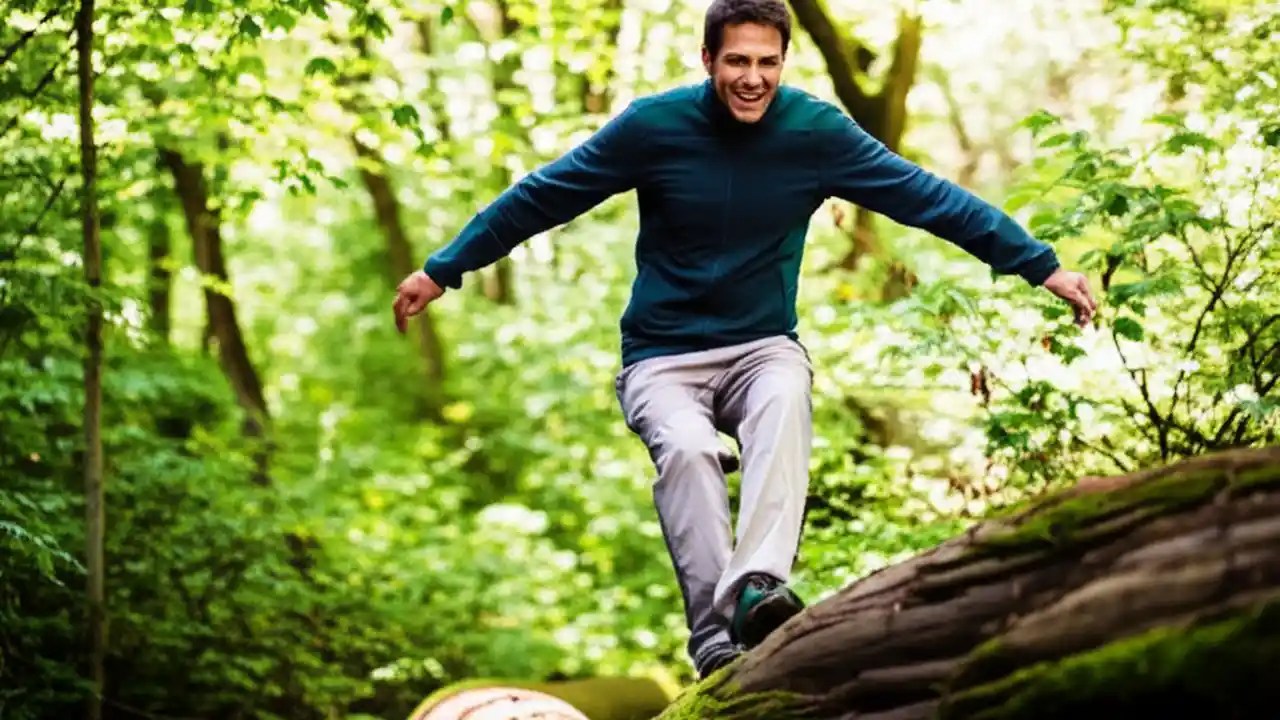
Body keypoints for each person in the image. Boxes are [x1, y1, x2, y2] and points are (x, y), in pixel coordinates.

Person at [392, 0, 1097, 680]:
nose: (752, 77)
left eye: (767, 62)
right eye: (736, 61)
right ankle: (715, 643)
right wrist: (443, 269)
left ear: (785, 62)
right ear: (707, 59)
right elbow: (543, 194)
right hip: (661, 358)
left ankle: (759, 584)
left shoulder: (816, 134)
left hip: (762, 346)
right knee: (691, 451)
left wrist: (1040, 264)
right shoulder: (653, 127)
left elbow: (930, 198)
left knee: (786, 397)